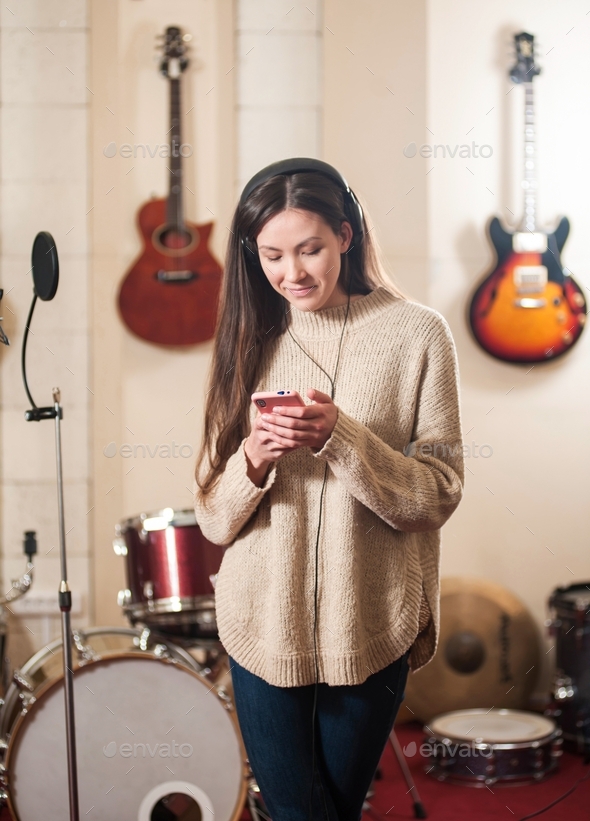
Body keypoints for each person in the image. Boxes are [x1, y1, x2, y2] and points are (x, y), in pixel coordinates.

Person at [193, 158, 464, 821]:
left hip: (370, 621)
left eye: (310, 248)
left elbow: (438, 492)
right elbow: (212, 517)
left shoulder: (417, 334)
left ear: (346, 234)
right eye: (273, 255)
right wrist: (255, 455)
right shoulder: (247, 339)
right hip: (263, 624)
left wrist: (343, 437)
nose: (293, 273)